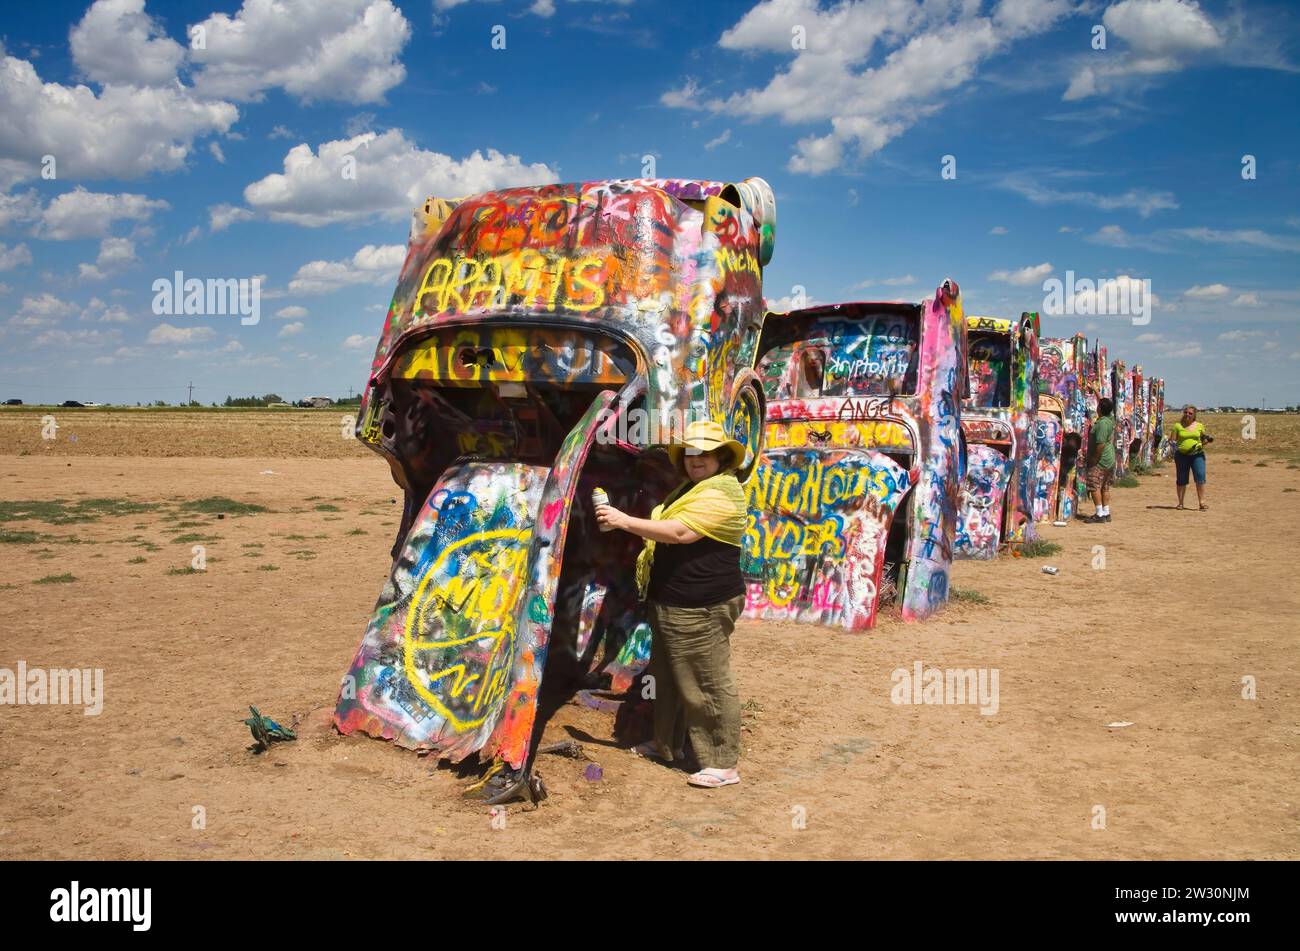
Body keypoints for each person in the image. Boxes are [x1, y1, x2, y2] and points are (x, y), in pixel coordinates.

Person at [595, 419, 748, 789]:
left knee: (705, 679)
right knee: (667, 677)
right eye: (691, 453)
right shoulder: (692, 487)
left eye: (706, 453)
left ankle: (721, 761)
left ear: (721, 457)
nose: (697, 459)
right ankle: (668, 744)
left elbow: (681, 532)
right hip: (674, 600)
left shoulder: (723, 492)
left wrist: (622, 520)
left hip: (702, 603)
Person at [1169, 404, 1212, 510]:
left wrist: (1206, 441)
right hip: (1182, 455)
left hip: (1197, 455)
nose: (1187, 414)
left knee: (1200, 477)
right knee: (1181, 479)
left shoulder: (1199, 426)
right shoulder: (1177, 426)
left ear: (1194, 415)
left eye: (1190, 413)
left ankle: (1202, 503)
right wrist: (1172, 449)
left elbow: (1203, 439)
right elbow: (1172, 441)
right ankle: (1180, 503)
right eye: (1186, 412)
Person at [1084, 398, 1116, 523]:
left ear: (1100, 409)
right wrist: (1096, 390)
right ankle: (1106, 512)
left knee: (1094, 485)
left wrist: (1094, 460)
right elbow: (1104, 402)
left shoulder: (1102, 424)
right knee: (1105, 486)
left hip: (1101, 459)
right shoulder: (1110, 419)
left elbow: (1100, 445)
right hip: (1110, 458)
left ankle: (1099, 514)